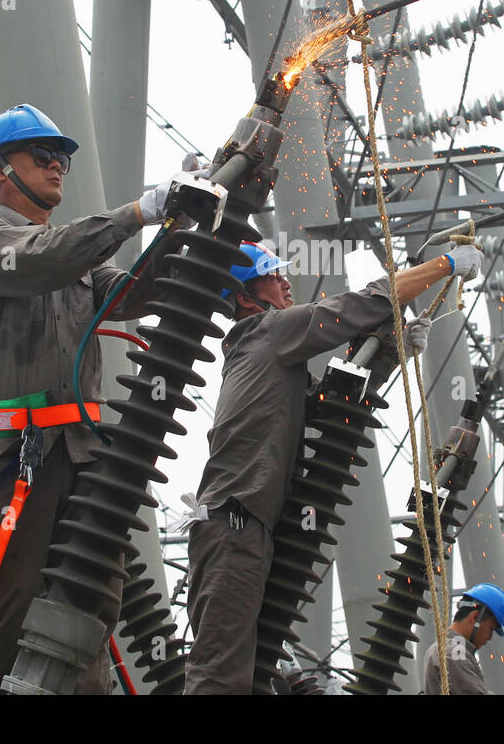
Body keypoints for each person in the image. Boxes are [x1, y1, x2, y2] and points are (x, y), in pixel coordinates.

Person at [0, 103, 187, 694]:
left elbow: (135, 294)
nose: (60, 166)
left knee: (86, 610)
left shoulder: (81, 262)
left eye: (63, 157)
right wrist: (139, 211)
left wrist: (184, 222)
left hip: (78, 456)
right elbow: (42, 260)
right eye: (44, 154)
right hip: (11, 461)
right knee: (5, 612)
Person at [183, 240, 484, 694]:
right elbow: (363, 303)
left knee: (251, 676)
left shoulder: (270, 355)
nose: (286, 281)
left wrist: (388, 356)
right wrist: (444, 266)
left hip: (248, 524)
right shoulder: (269, 331)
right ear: (246, 297)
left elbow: (326, 408)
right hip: (234, 525)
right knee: (220, 677)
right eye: (272, 276)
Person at [422, 582, 504, 695]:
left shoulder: (450, 648)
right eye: (491, 629)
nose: (489, 637)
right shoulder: (454, 652)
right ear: (474, 617)